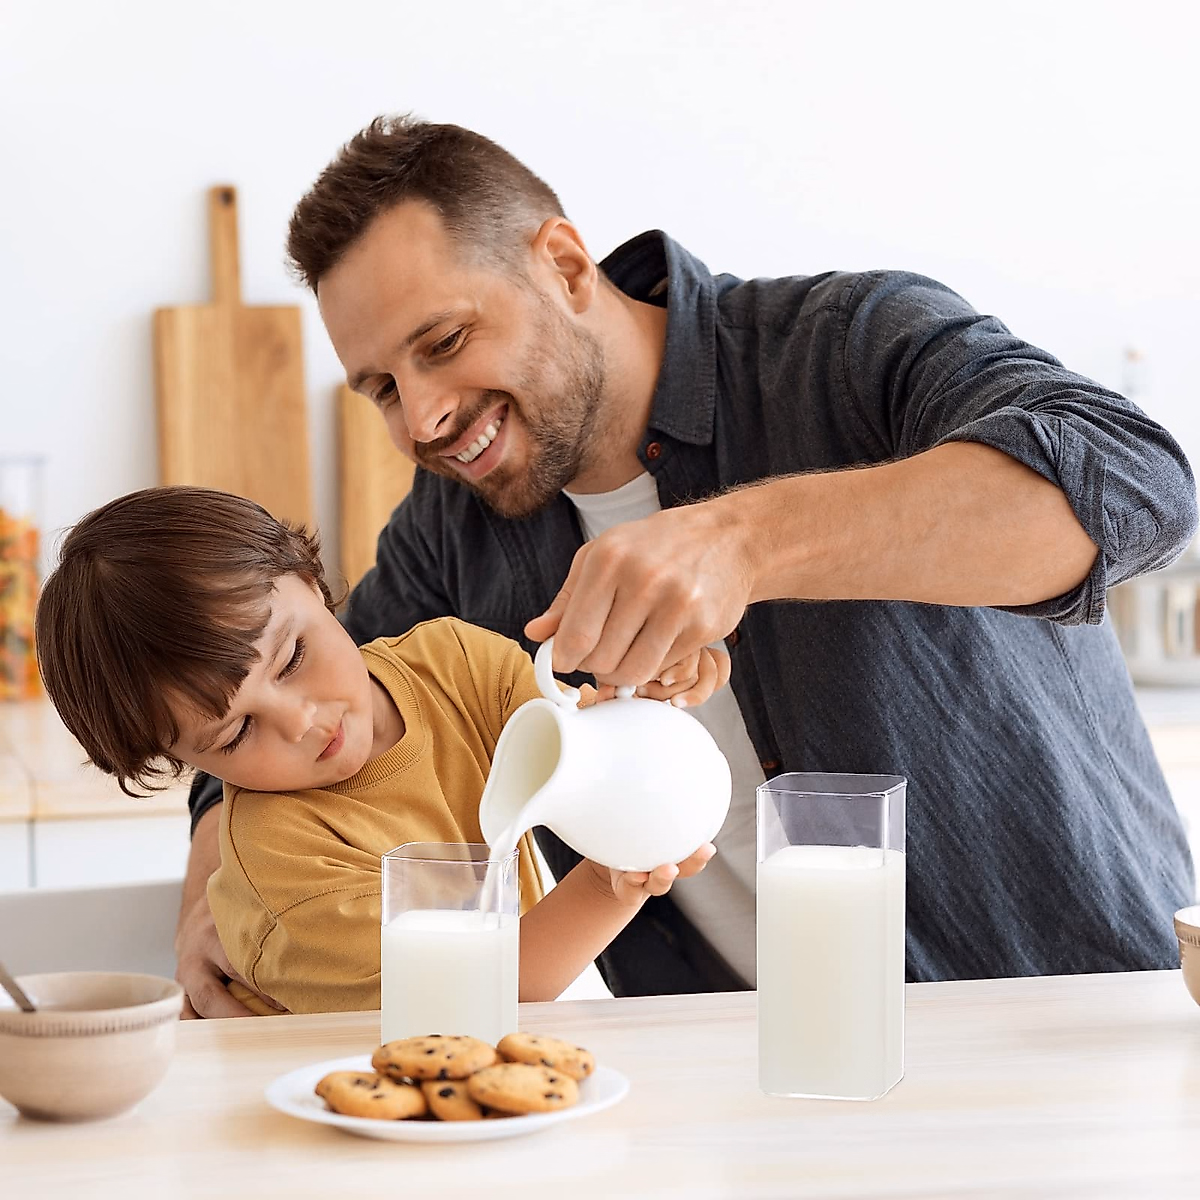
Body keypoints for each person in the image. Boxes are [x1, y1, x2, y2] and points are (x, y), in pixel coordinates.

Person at [179, 115, 1198, 1016]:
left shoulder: (844, 347)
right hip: (743, 1093)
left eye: (443, 342)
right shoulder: (452, 532)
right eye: (381, 389)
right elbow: (283, 704)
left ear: (567, 266)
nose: (424, 418)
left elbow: (1136, 484)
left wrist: (744, 542)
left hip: (1076, 1024)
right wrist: (204, 893)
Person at [34, 486, 714, 1015]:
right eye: (237, 734)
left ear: (312, 580)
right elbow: (491, 990)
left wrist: (643, 691)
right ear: (188, 763)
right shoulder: (284, 859)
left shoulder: (454, 663)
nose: (300, 722)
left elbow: (582, 749)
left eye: (293, 656)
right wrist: (607, 881)